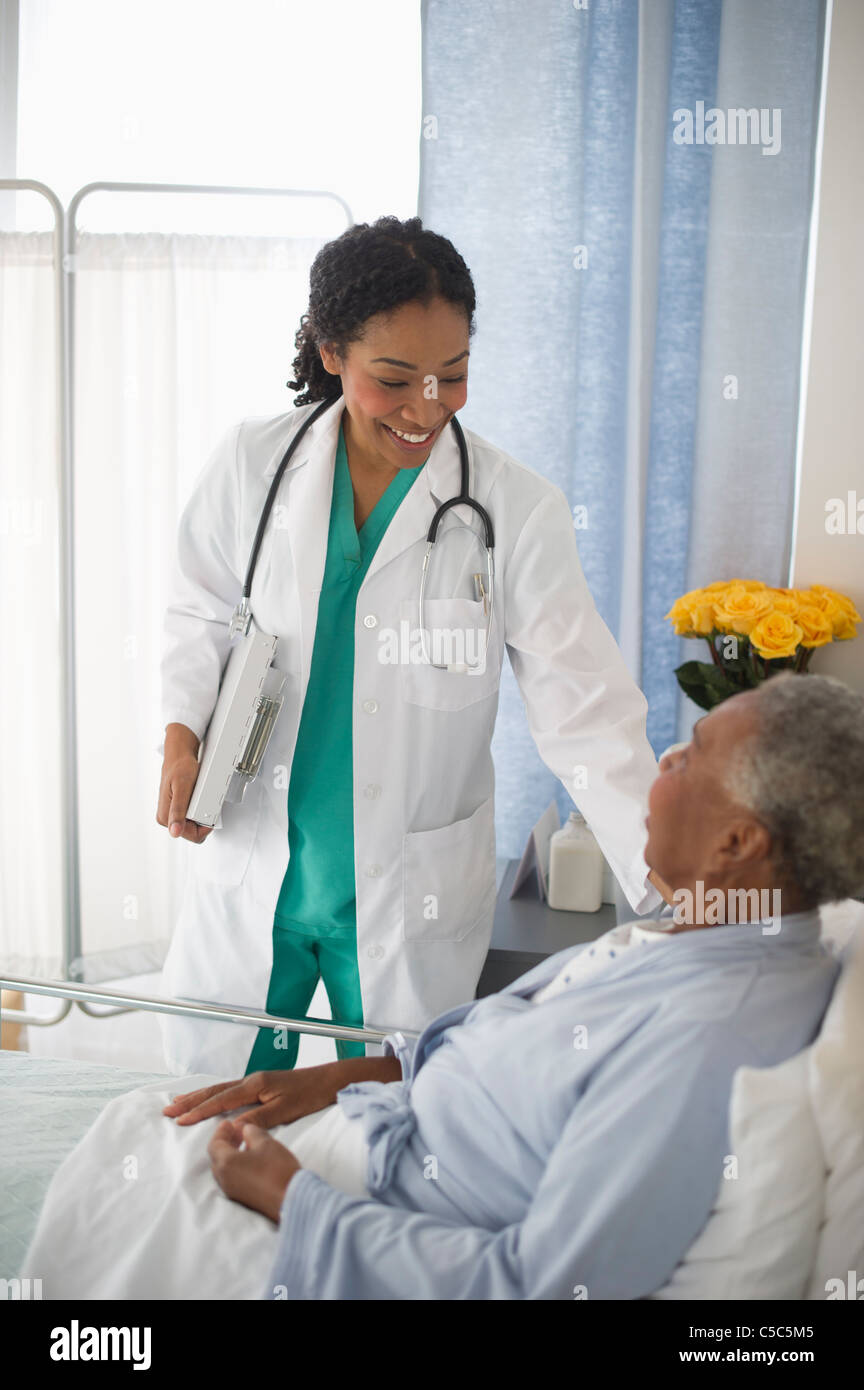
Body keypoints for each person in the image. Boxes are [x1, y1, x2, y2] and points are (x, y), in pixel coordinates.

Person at [156, 215, 667, 1079]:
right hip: (255, 872)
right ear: (331, 352)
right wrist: (180, 734)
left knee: (396, 1119)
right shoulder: (252, 463)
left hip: (406, 896)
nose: (426, 407)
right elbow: (199, 608)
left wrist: (670, 887)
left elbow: (586, 711)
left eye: (453, 375)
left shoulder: (514, 509)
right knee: (221, 1114)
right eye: (394, 379)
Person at [163, 672, 864, 1300]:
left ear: (738, 844)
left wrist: (291, 1199)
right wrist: (345, 1076)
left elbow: (537, 1284)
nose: (665, 759)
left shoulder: (706, 1042)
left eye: (693, 754)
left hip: (341, 1222)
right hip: (363, 1125)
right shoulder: (704, 939)